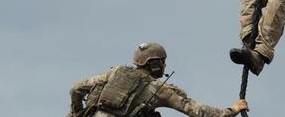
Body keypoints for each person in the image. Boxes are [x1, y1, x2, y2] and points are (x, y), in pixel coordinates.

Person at [68, 42, 248, 117]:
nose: (164, 66)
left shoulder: (114, 73)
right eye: (163, 62)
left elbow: (76, 89)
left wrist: (76, 113)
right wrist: (231, 110)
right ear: (154, 64)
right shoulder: (159, 89)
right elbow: (196, 110)